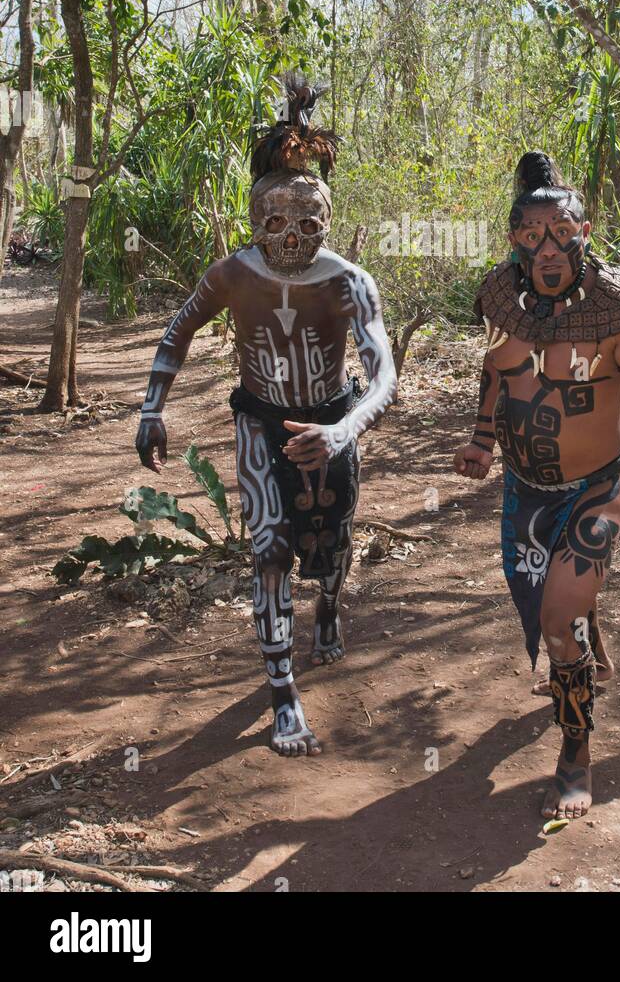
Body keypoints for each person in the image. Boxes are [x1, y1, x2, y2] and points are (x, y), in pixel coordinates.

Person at [135, 74, 397, 757]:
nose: (291, 238)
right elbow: (178, 330)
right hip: (260, 425)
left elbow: (386, 375)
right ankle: (283, 693)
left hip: (332, 422)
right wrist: (151, 407)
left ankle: (330, 609)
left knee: (333, 547)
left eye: (309, 224)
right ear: (255, 221)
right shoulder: (233, 275)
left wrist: (342, 429)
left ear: (329, 221)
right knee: (271, 550)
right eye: (275, 223)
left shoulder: (348, 282)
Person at [454, 151, 620, 818]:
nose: (549, 249)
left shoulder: (618, 310)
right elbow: (497, 372)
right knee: (540, 606)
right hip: (523, 492)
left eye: (562, 234)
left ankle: (576, 752)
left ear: (586, 230)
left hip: (598, 486)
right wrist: (483, 439)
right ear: (515, 239)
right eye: (533, 236)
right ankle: (583, 617)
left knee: (556, 621)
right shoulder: (500, 299)